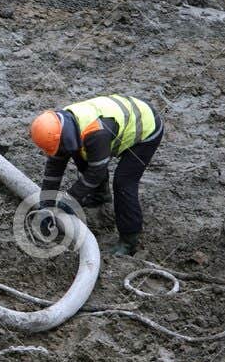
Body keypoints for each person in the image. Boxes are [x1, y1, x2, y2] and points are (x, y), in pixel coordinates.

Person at [28, 93, 163, 256]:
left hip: (146, 129)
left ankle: (129, 240)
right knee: (80, 153)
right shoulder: (59, 126)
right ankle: (100, 198)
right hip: (113, 125)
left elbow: (96, 173)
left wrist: (70, 200)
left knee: (123, 182)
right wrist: (46, 205)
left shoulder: (96, 132)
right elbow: (54, 169)